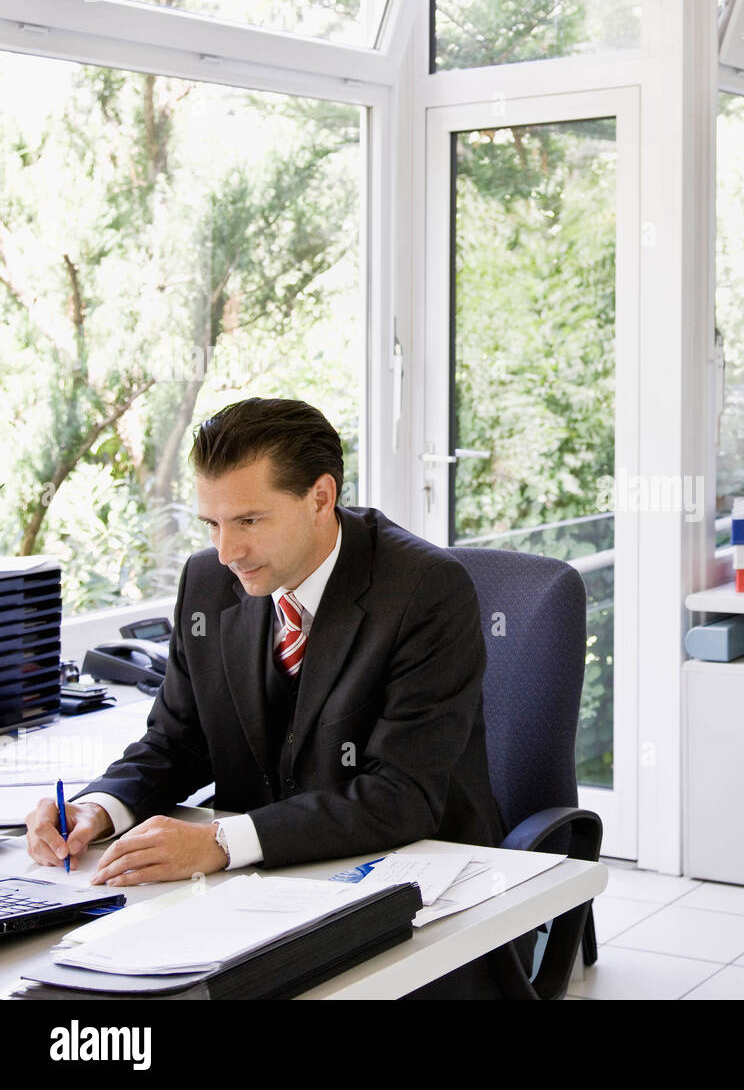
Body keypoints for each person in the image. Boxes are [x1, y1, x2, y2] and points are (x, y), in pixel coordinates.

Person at [24, 397, 527, 996]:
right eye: (212, 524)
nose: (227, 551)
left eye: (249, 521)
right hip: (253, 899)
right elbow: (178, 739)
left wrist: (218, 842)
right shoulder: (208, 581)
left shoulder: (424, 590)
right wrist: (101, 807)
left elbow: (401, 797)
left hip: (409, 887)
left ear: (320, 497)